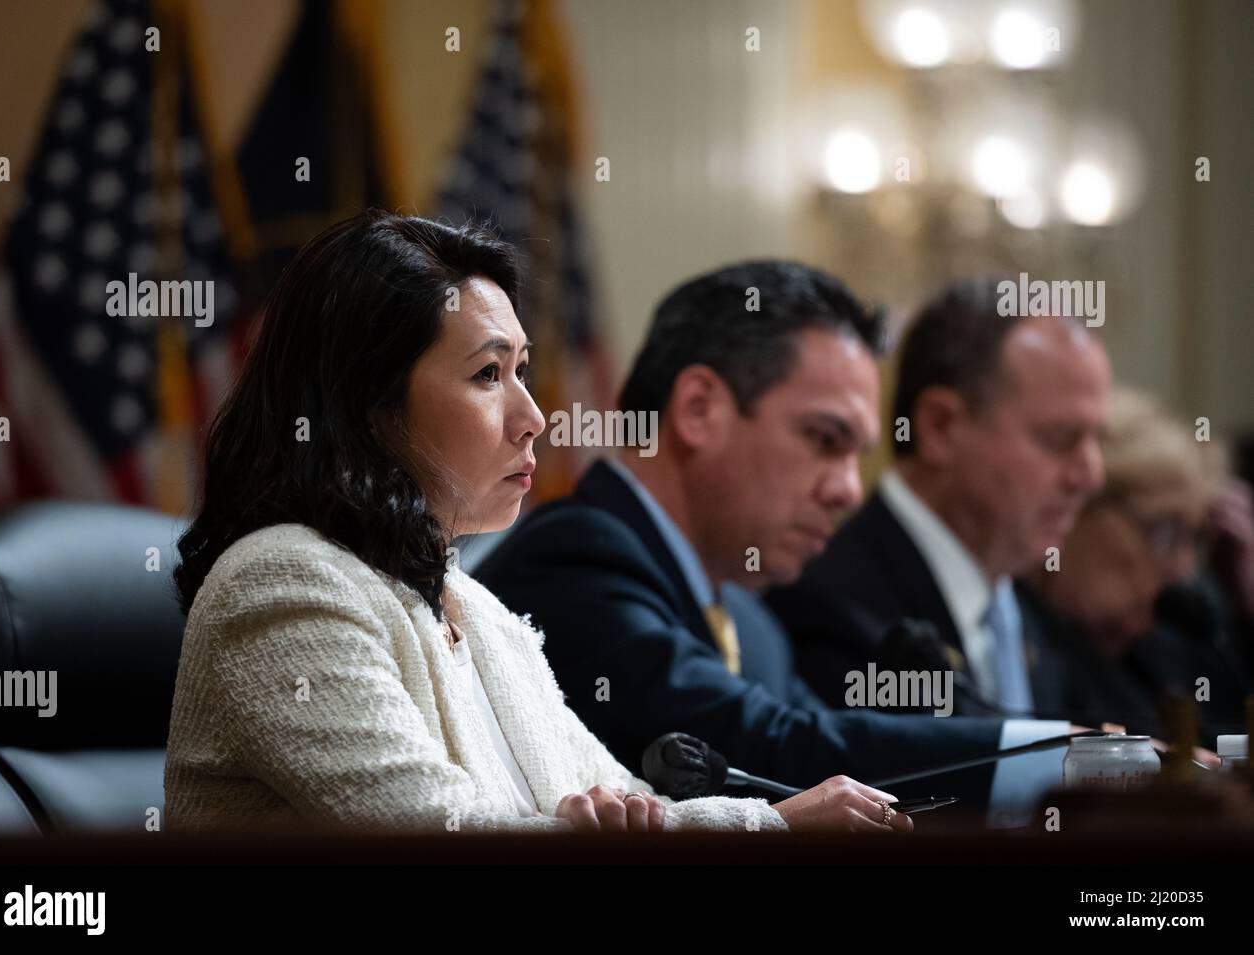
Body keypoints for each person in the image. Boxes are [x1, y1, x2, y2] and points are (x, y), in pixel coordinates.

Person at [164, 211, 910, 836]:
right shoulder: (281, 580)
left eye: (523, 369)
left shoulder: (476, 610)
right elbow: (441, 830)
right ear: (370, 405)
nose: (533, 416)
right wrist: (773, 824)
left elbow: (632, 803)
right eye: (489, 375)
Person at [476, 262, 1073, 822]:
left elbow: (822, 744)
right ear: (699, 409)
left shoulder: (748, 619)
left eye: (856, 455)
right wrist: (1056, 757)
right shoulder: (574, 555)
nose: (847, 490)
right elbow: (769, 746)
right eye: (823, 439)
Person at [765, 278, 1111, 720]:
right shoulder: (828, 610)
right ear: (940, 427)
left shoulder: (1040, 613)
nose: (1092, 476)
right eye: (1060, 439)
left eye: (1098, 440)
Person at [1019, 388, 1254, 744]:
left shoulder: (1169, 649)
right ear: (1076, 504)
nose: (1182, 568)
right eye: (1163, 531)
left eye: (1194, 540)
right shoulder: (1008, 640)